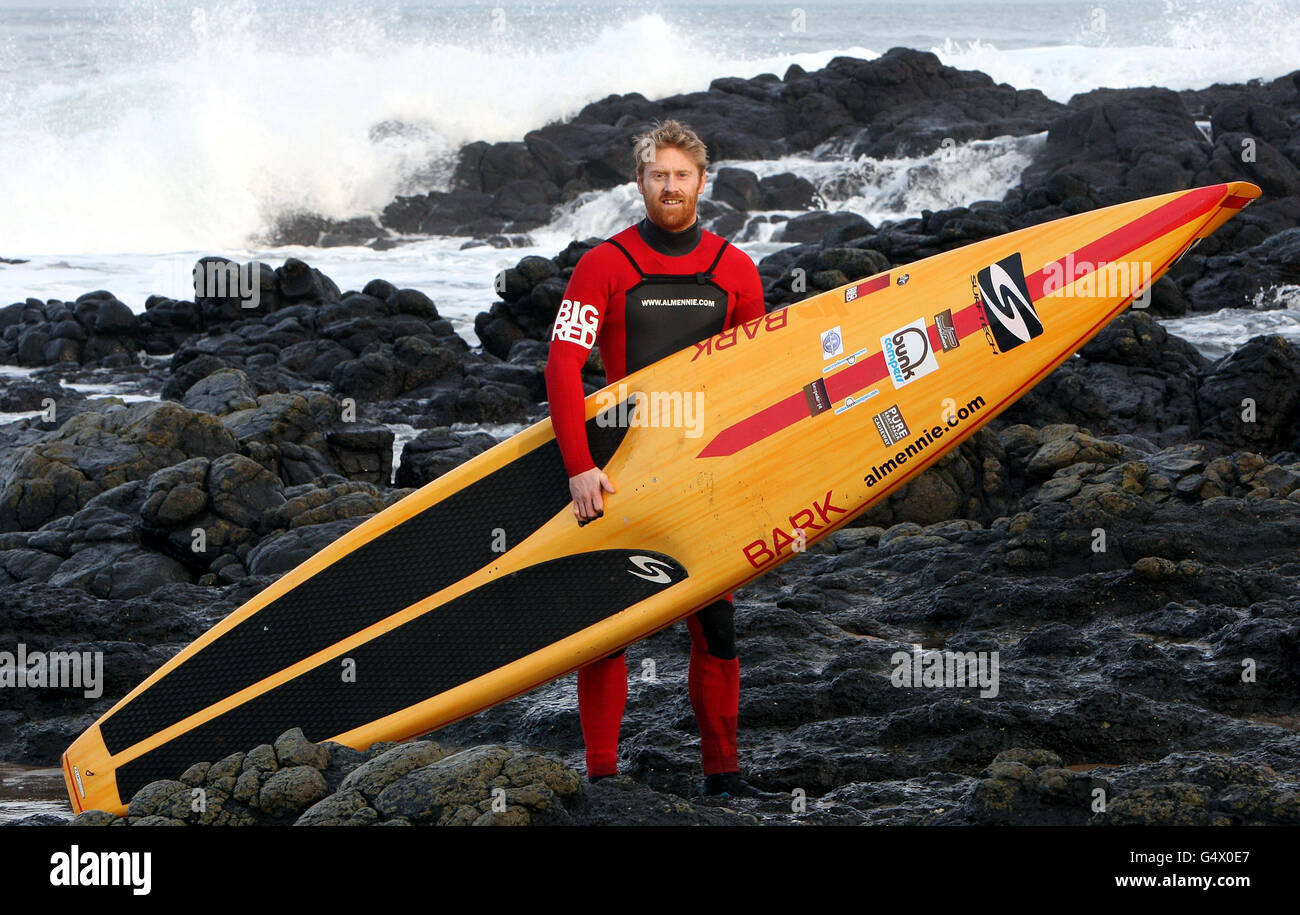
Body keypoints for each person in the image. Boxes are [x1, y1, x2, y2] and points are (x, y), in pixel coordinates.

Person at [544, 119, 770, 798]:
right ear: (639, 182)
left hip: (705, 469)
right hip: (623, 470)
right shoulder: (603, 265)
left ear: (702, 181)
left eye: (681, 175)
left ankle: (723, 774)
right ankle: (604, 775)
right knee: (609, 631)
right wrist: (581, 466)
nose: (670, 187)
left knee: (717, 621)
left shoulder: (737, 271)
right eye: (658, 175)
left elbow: (756, 381)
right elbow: (561, 366)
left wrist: (753, 475)